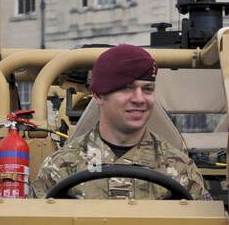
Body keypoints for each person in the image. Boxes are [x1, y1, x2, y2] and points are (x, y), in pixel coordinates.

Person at [30, 43, 210, 200]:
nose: (139, 99)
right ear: (99, 95)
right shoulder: (60, 168)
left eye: (147, 89)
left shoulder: (181, 169)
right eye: (126, 89)